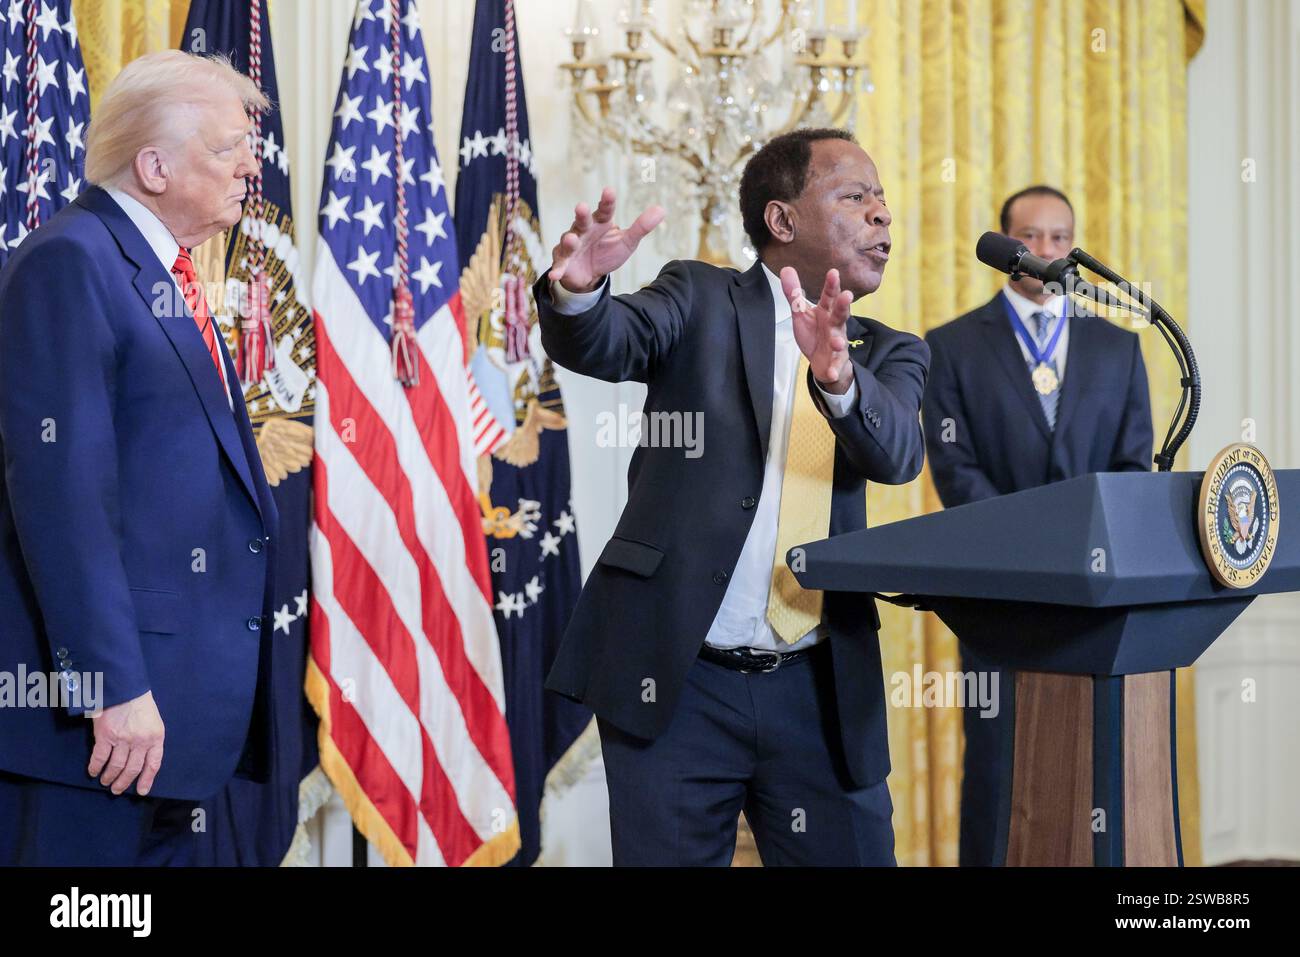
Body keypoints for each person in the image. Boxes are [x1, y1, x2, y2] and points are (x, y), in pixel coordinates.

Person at [537, 128, 929, 865]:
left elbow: (899, 455)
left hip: (819, 689)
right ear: (782, 221)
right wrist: (580, 291)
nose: (881, 214)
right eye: (855, 195)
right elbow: (611, 341)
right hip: (679, 684)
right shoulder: (700, 298)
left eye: (882, 199)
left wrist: (838, 378)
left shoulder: (892, 352)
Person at [0, 51, 279, 866]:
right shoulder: (72, 262)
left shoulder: (166, 272)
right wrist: (109, 685)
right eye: (230, 147)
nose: (250, 165)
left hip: (174, 726)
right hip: (93, 732)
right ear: (154, 166)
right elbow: (63, 495)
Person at [922, 185, 1153, 866]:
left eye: (1061, 237)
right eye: (1032, 238)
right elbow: (955, 469)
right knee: (998, 769)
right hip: (999, 599)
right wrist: (1032, 549)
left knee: (1093, 768)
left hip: (1096, 598)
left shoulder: (1118, 348)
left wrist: (1085, 552)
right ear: (1005, 249)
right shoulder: (951, 346)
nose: (1048, 251)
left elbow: (1132, 463)